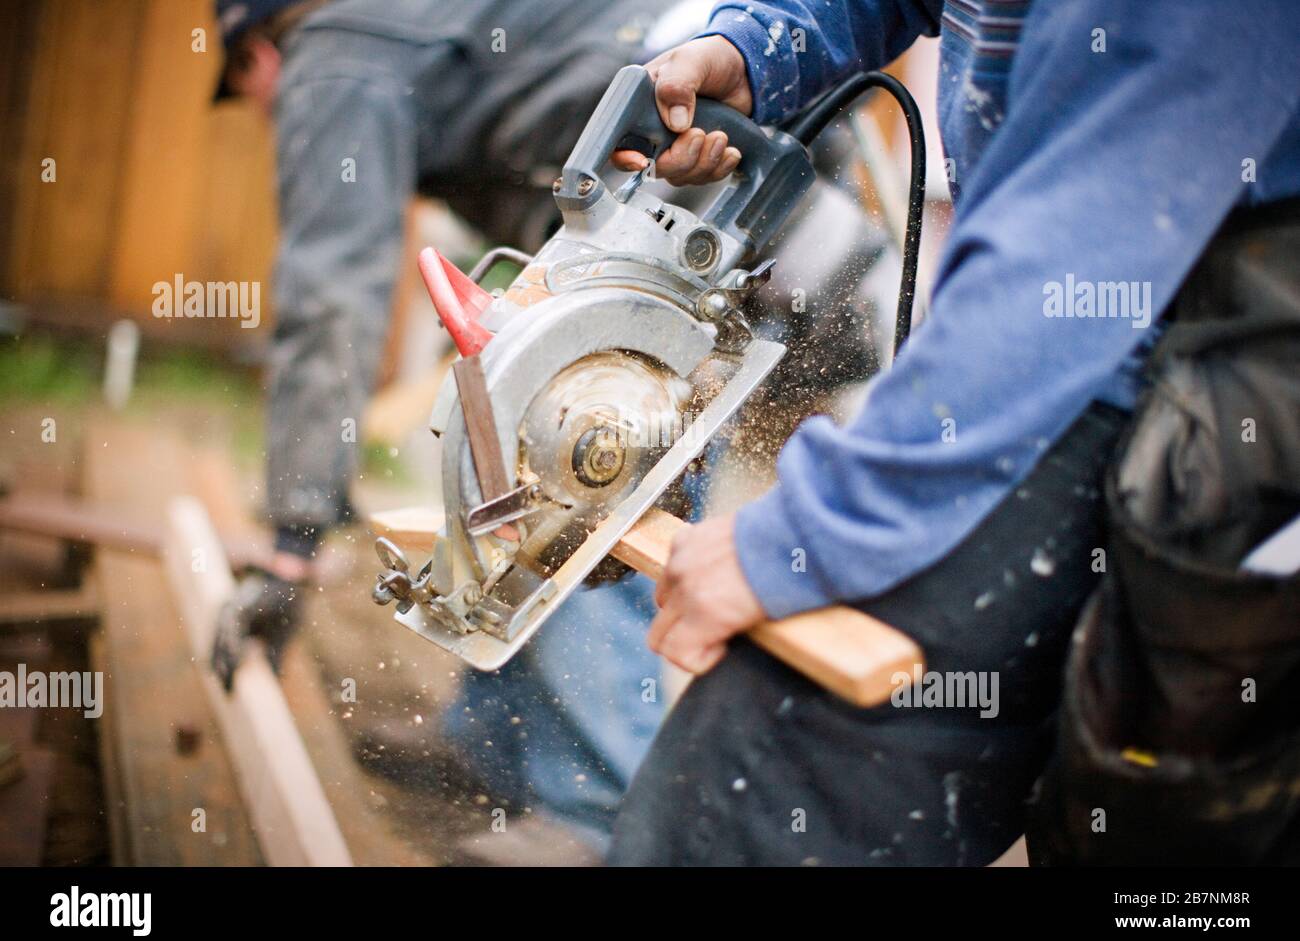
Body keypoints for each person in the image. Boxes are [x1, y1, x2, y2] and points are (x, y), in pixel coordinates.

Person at [607, 1, 1300, 865]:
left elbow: (1080, 242)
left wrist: (820, 534)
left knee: (760, 787)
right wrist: (761, 49)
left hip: (1165, 370)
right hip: (1065, 330)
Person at [209, 0, 892, 854]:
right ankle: (494, 745)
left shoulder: (333, 57)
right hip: (713, 223)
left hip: (740, 239)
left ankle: (591, 810)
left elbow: (330, 297)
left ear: (253, 59)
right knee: (538, 469)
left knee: (581, 490)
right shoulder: (412, 20)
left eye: (246, 93)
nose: (264, 111)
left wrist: (291, 534)